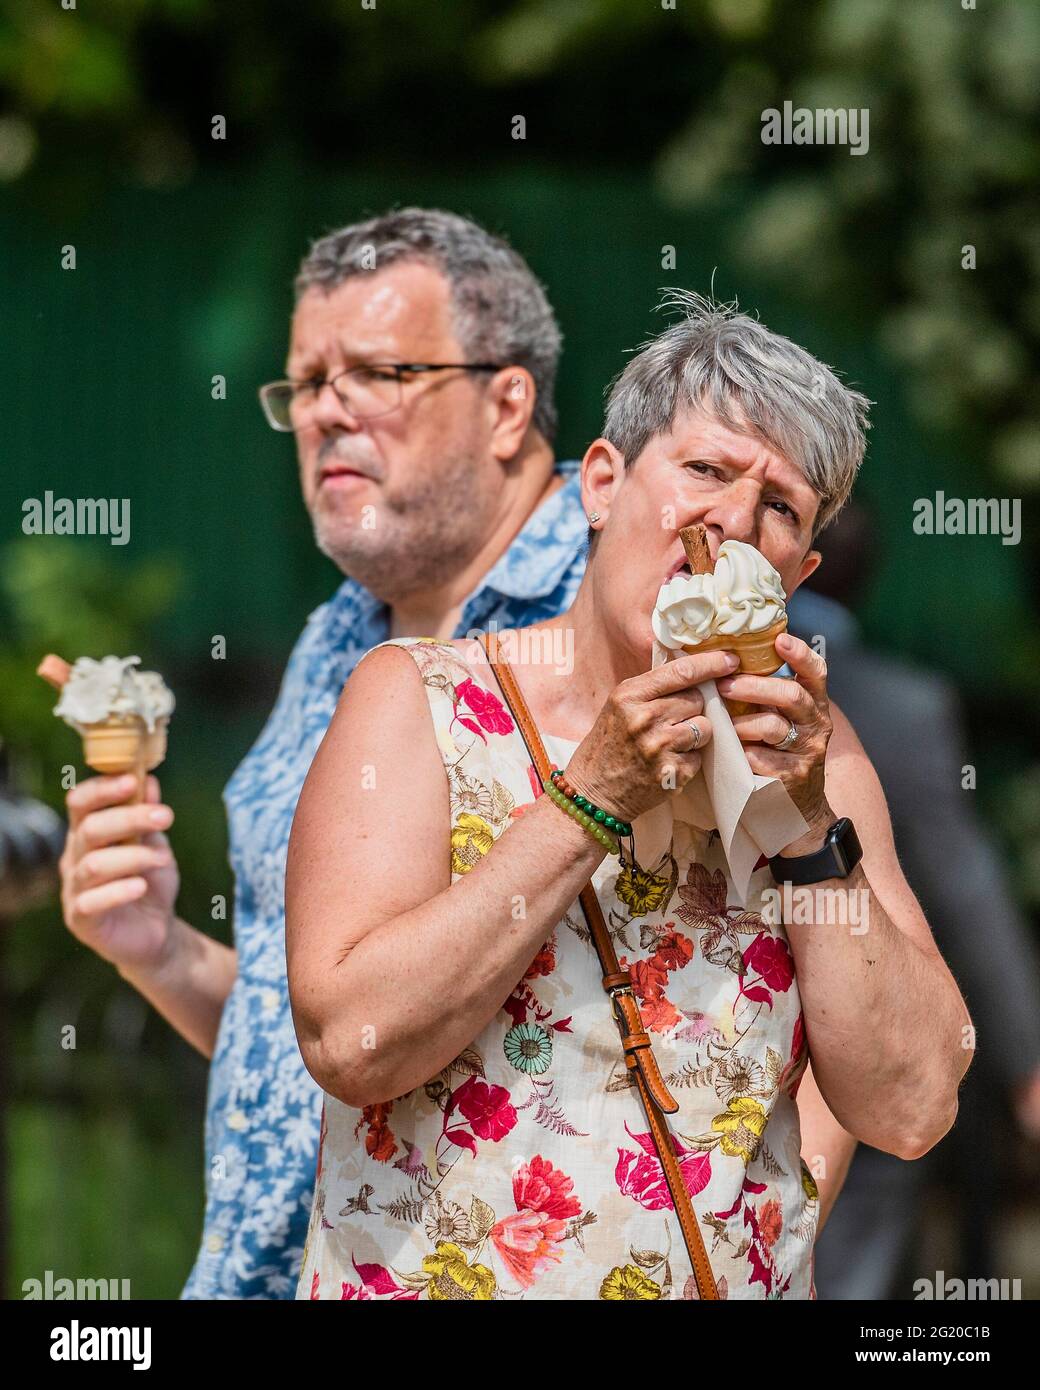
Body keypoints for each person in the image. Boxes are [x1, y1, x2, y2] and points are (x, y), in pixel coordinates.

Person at [53, 209, 852, 1298]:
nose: (326, 412)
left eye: (375, 373)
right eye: (304, 384)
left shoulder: (651, 612)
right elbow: (346, 1023)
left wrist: (739, 1241)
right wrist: (160, 954)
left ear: (508, 403)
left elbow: (779, 997)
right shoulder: (342, 634)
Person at [285, 292, 973, 1300]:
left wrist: (806, 834)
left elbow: (911, 1105)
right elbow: (351, 1041)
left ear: (801, 570)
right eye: (703, 470)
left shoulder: (820, 768)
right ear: (599, 484)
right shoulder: (422, 702)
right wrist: (585, 800)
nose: (732, 521)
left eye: (779, 508)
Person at [786, 506, 1040, 1299]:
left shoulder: (674, 674)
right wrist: (1028, 1058)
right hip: (861, 1045)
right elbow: (966, 888)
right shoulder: (904, 704)